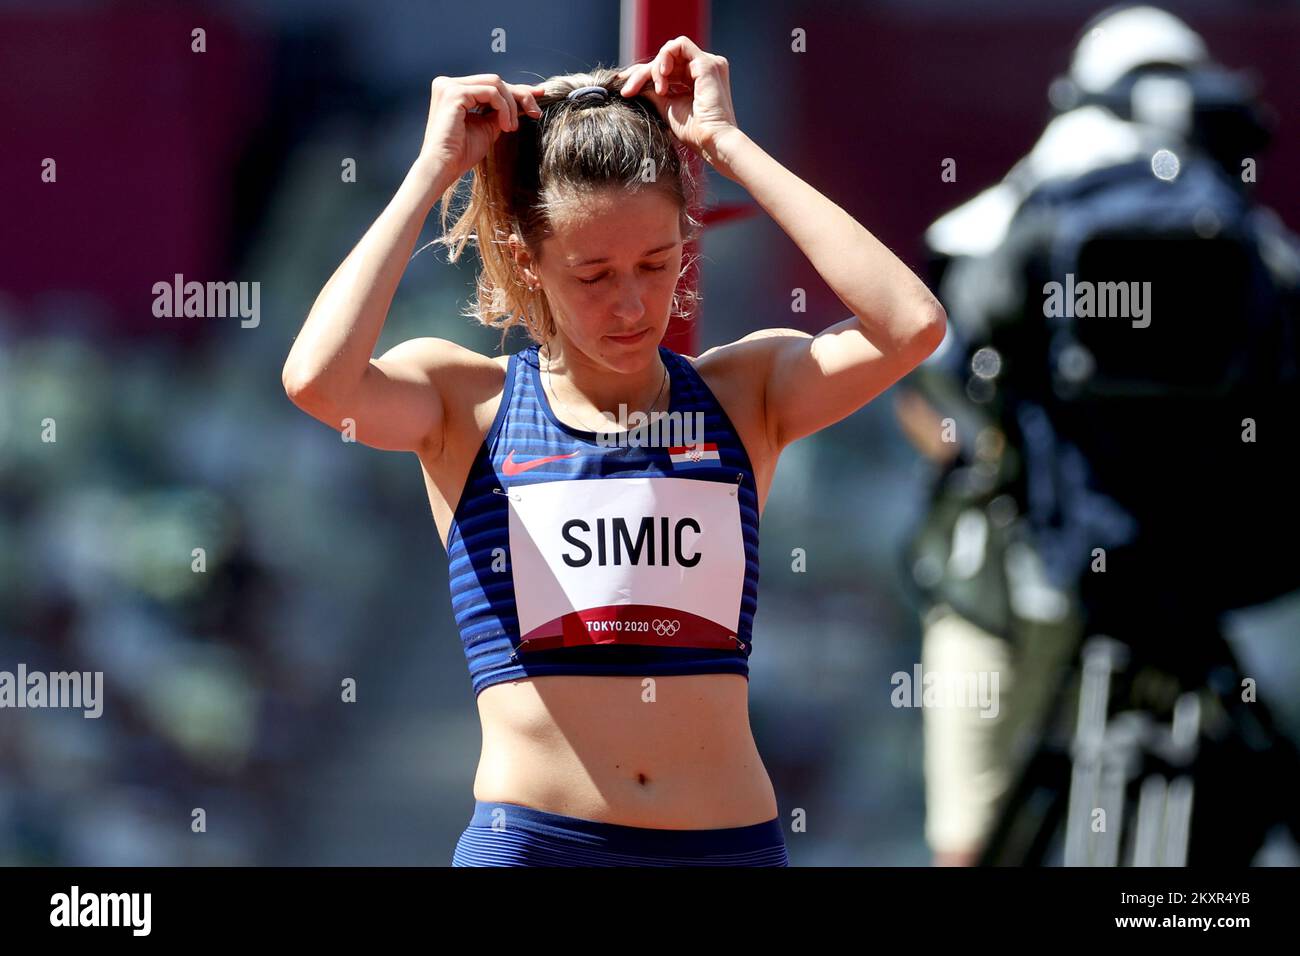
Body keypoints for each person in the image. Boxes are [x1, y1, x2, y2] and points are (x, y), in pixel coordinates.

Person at [283, 36, 946, 866]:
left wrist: (726, 145)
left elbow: (911, 323)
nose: (633, 305)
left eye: (657, 263)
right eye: (594, 274)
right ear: (530, 262)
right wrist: (431, 173)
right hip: (537, 843)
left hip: (725, 846)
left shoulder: (743, 397)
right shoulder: (470, 405)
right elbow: (318, 381)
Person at [898, 5, 1300, 865]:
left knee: (970, 844)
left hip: (1015, 580)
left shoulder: (1015, 216)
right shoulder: (1248, 240)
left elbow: (931, 370)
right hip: (1190, 588)